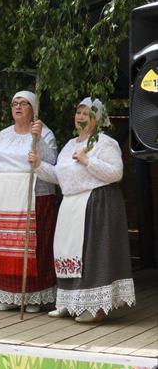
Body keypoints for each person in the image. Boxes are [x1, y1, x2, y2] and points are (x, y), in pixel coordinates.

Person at [30, 97, 135, 323]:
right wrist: (38, 164)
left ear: (97, 119)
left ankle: (95, 307)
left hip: (96, 203)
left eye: (87, 113)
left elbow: (116, 173)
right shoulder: (70, 144)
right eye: (78, 112)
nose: (80, 117)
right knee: (67, 253)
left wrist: (88, 161)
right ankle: (70, 302)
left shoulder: (105, 142)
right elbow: (59, 176)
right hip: (71, 204)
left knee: (91, 255)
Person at [0, 90, 58, 312]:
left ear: (33, 109)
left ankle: (33, 296)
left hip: (34, 196)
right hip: (4, 198)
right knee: (6, 244)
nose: (17, 107)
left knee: (34, 247)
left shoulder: (44, 133)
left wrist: (38, 139)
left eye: (24, 103)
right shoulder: (3, 134)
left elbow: (52, 163)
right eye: (14, 103)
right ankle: (8, 295)